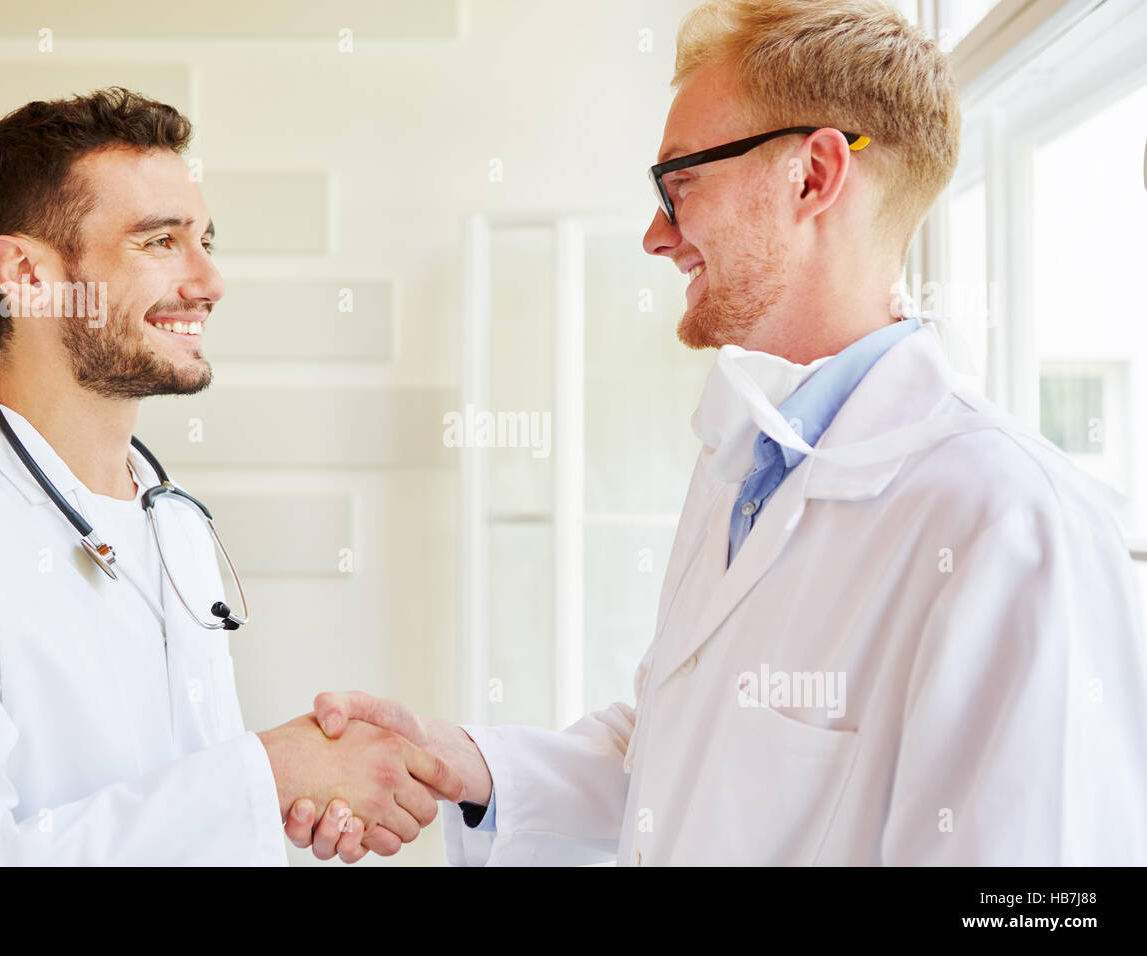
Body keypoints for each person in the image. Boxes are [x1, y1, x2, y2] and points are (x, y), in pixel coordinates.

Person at [291, 0, 1147, 865]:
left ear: (811, 177)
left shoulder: (1014, 523)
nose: (655, 235)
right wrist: (463, 765)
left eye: (680, 183)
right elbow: (677, 762)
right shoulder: (747, 462)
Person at [0, 88, 460, 865]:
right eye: (159, 242)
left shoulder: (169, 516)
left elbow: (173, 807)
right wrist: (262, 776)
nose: (209, 281)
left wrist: (280, 798)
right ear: (26, 274)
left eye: (206, 239)